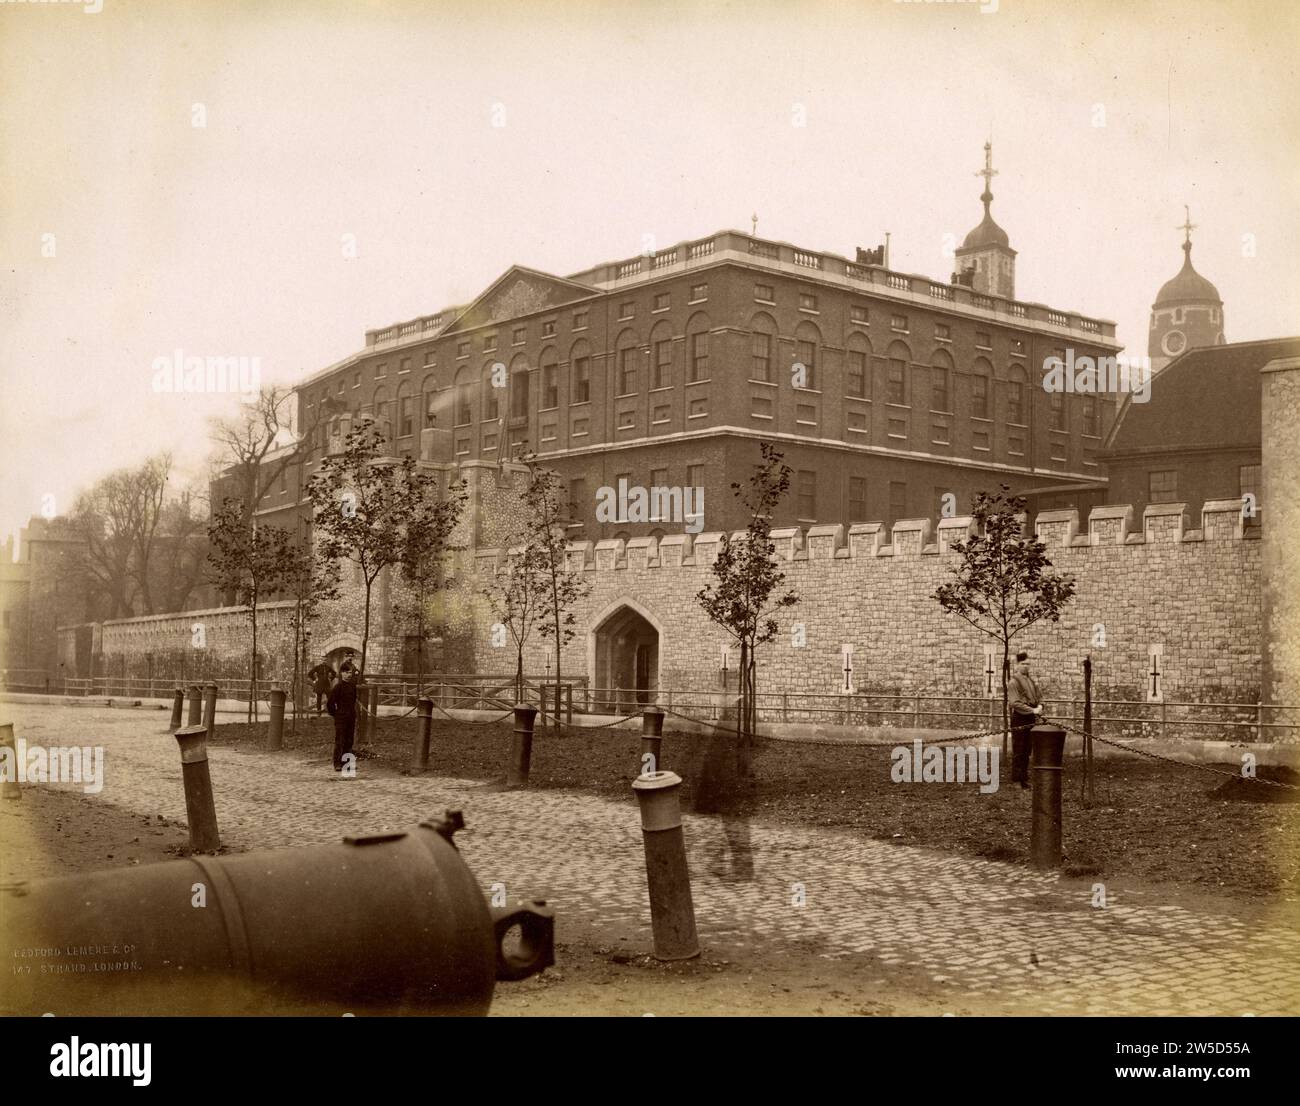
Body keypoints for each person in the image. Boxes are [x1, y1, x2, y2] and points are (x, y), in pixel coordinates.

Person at [1008, 651, 1043, 789]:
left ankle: (1024, 778)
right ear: (1017, 665)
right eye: (1023, 664)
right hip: (1019, 718)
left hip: (1030, 718)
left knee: (1028, 750)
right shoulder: (1013, 682)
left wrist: (1040, 705)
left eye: (1028, 664)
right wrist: (1032, 710)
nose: (1026, 667)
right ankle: (1017, 780)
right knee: (1019, 750)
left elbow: (1039, 696)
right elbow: (1015, 703)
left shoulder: (1031, 681)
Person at [327, 659, 358, 773]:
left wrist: (352, 714)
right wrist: (336, 714)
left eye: (351, 673)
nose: (349, 675)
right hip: (341, 717)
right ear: (342, 673)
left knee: (349, 740)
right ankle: (337, 763)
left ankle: (347, 763)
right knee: (340, 740)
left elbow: (354, 700)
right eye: (347, 672)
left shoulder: (353, 686)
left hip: (351, 717)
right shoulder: (337, 687)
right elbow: (330, 703)